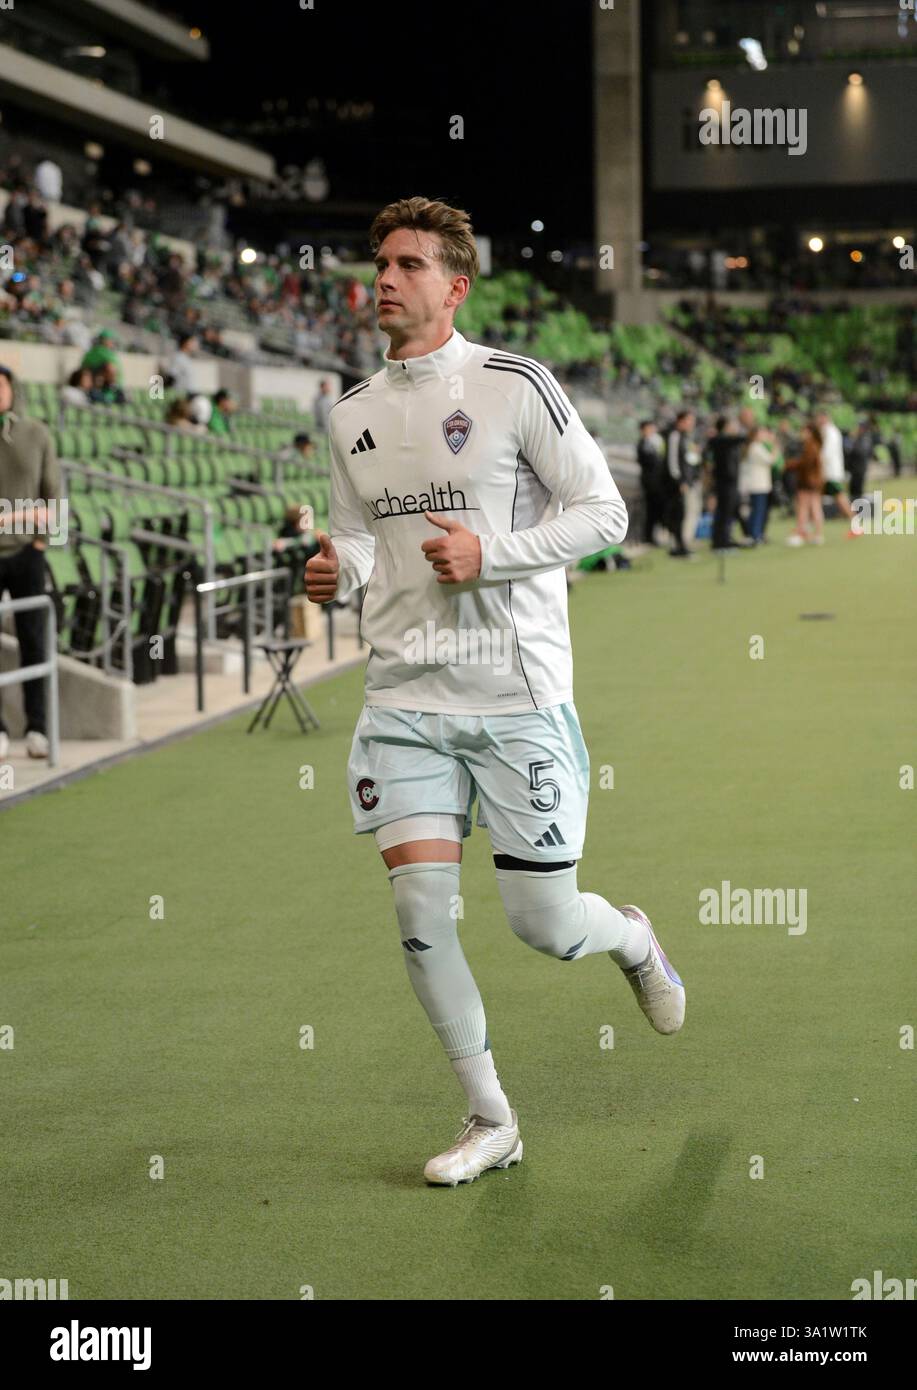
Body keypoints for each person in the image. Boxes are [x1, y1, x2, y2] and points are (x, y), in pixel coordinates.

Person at [305, 196, 685, 1187]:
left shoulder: (513, 385)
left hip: (514, 697)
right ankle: (489, 1118)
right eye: (379, 262)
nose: (384, 279)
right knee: (421, 911)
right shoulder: (347, 414)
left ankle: (633, 940)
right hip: (402, 703)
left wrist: (494, 552)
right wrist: (335, 568)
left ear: (454, 284)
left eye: (407, 265)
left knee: (544, 926)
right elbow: (355, 535)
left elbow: (602, 512)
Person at [0, 364, 60, 760]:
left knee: (34, 642)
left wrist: (42, 542)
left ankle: (37, 728)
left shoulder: (37, 434)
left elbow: (54, 501)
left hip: (27, 555)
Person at [662, 408, 699, 556]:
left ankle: (681, 544)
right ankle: (677, 546)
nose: (692, 424)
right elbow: (673, 462)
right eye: (689, 421)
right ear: (681, 421)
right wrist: (680, 481)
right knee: (677, 515)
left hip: (685, 483)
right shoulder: (675, 435)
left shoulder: (685, 437)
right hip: (676, 484)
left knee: (682, 515)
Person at [706, 415, 745, 550]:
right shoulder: (720, 439)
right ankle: (720, 541)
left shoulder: (724, 440)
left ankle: (725, 538)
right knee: (723, 512)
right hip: (724, 482)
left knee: (728, 512)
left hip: (731, 482)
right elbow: (740, 438)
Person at [784, 422, 825, 546]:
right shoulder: (815, 445)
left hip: (807, 481)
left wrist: (789, 464)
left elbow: (804, 464)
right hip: (814, 481)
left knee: (803, 507)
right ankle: (817, 534)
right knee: (814, 507)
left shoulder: (810, 445)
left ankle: (801, 533)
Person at [738, 425, 777, 544]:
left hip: (758, 484)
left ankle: (755, 534)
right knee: (758, 511)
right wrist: (775, 445)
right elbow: (771, 460)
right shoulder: (756, 447)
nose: (765, 435)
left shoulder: (754, 447)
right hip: (758, 485)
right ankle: (755, 535)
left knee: (758, 510)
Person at [815, 409, 852, 523]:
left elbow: (827, 452)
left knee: (839, 495)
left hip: (830, 471)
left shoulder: (831, 432)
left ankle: (853, 517)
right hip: (828, 470)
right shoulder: (827, 431)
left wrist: (818, 463)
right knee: (815, 496)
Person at [635, 419, 665, 545]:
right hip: (650, 482)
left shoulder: (652, 442)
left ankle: (652, 535)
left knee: (655, 509)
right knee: (651, 510)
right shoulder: (643, 444)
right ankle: (648, 536)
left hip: (656, 481)